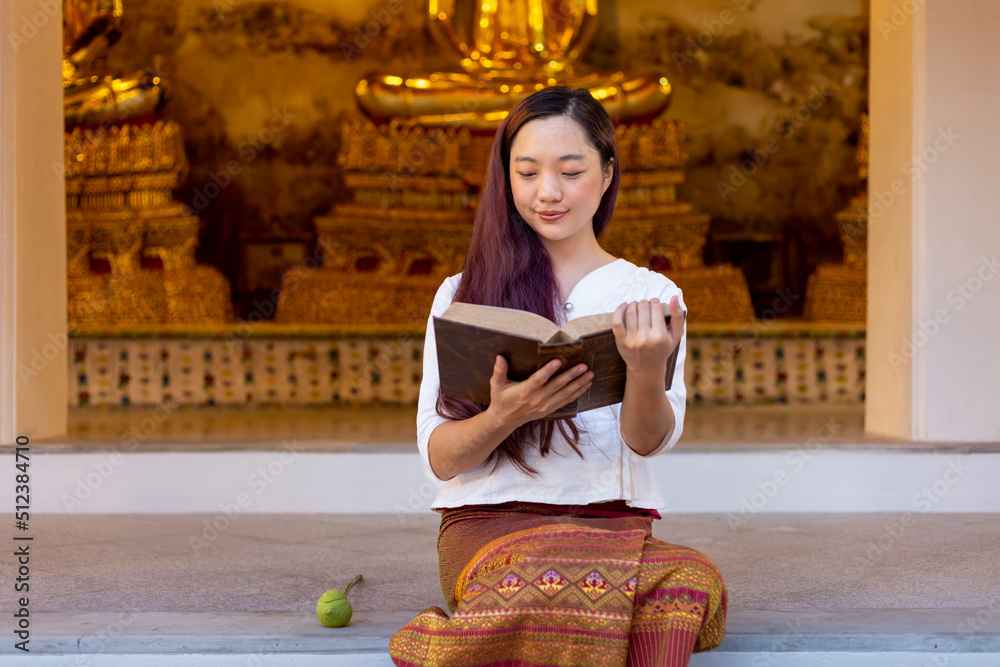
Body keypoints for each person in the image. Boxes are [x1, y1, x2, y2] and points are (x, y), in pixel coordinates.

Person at [389, 86, 727, 667]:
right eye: (527, 173)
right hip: (491, 530)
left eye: (571, 172)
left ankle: (471, 640)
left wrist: (645, 369)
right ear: (506, 178)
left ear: (607, 173)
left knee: (692, 582)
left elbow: (648, 441)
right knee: (553, 583)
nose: (548, 193)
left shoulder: (650, 296)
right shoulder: (461, 296)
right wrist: (506, 415)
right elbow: (441, 459)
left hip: (611, 529)